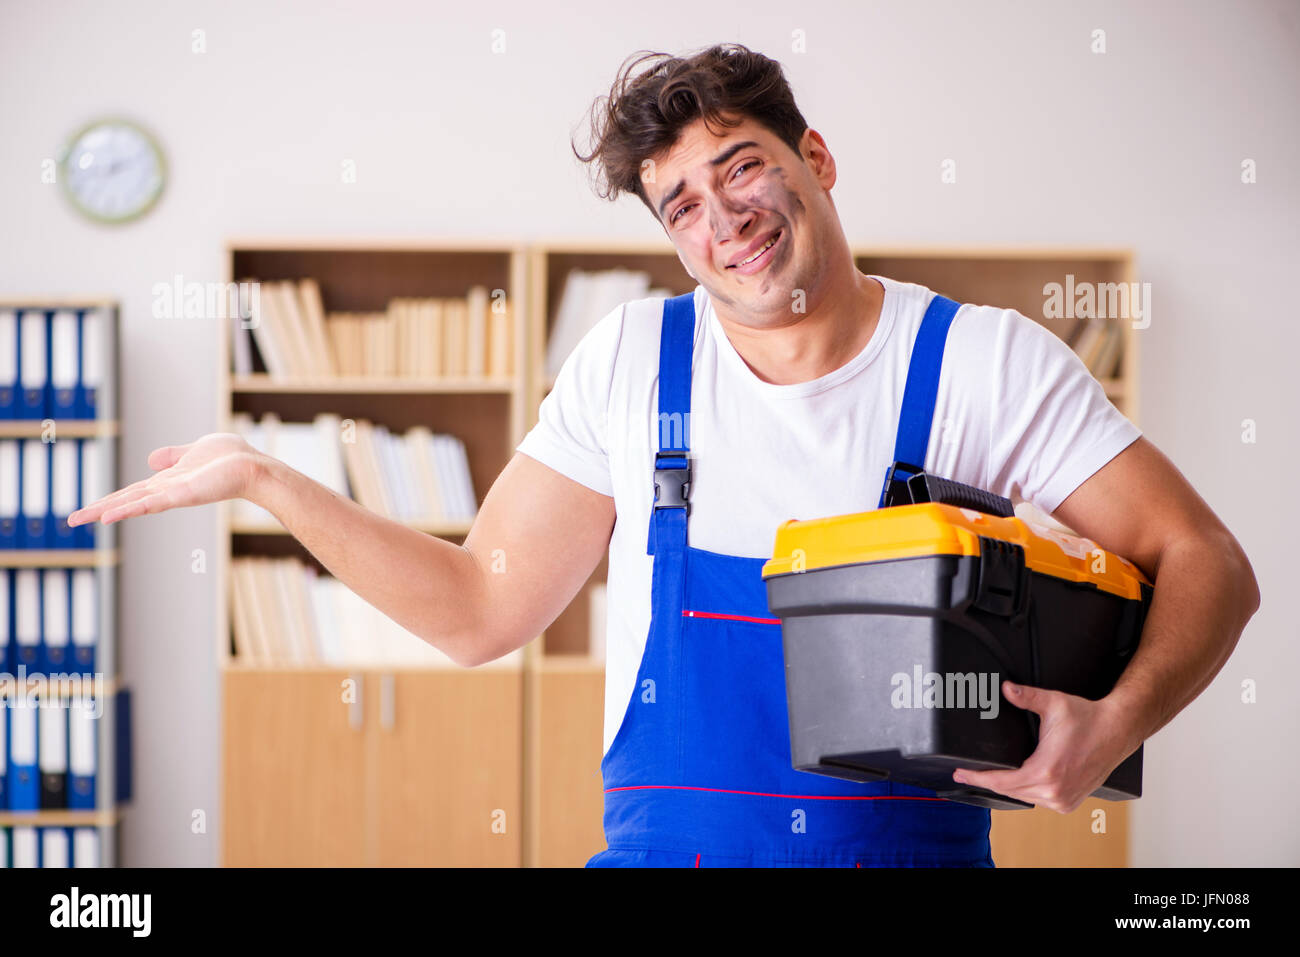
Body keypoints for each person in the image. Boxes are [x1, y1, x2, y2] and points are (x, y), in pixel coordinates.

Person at [70, 43, 1260, 868]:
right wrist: (271, 481)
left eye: (741, 165)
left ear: (816, 158)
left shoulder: (978, 363)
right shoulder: (630, 361)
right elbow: (480, 611)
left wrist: (1111, 725)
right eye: (679, 202)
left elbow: (1205, 559)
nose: (722, 218)